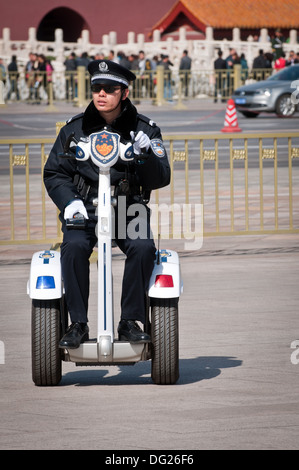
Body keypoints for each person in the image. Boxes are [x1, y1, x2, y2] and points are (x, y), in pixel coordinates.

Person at [43, 60, 170, 349]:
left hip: (128, 206)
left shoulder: (145, 130)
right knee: (73, 248)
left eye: (109, 89)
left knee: (143, 248)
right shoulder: (73, 130)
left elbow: (162, 177)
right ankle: (77, 322)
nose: (101, 94)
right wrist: (69, 202)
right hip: (84, 206)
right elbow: (54, 173)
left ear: (124, 93)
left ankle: (130, 321)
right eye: (96, 88)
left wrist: (145, 156)